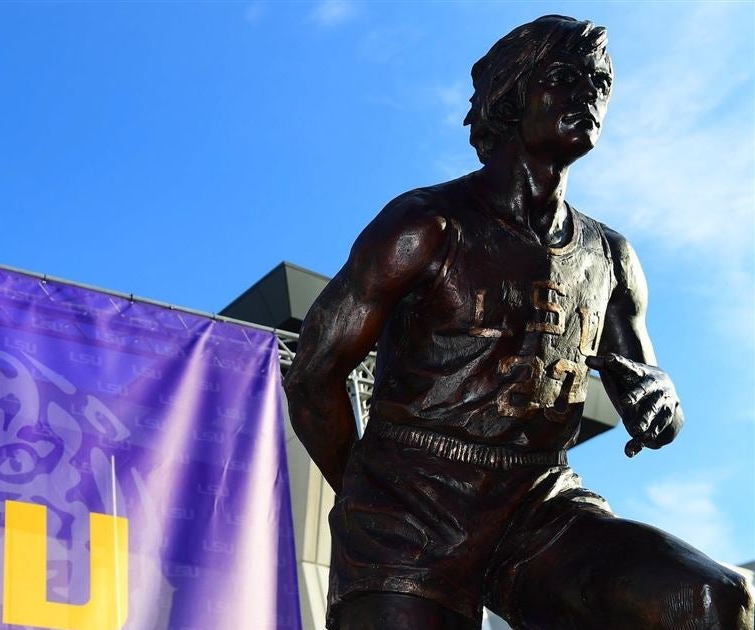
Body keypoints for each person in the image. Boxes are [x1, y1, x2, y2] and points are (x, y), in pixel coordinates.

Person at [284, 15, 754, 630]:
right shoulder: (424, 224)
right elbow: (315, 376)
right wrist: (365, 496)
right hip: (410, 497)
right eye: (562, 77)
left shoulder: (610, 257)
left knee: (713, 602)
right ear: (511, 95)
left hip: (538, 502)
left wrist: (662, 404)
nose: (587, 92)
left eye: (599, 82)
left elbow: (647, 384)